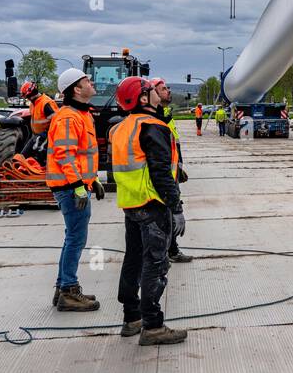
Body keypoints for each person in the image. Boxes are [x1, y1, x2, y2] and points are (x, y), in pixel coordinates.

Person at [111, 76, 188, 346]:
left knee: (132, 260)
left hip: (131, 204)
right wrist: (176, 206)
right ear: (143, 99)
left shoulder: (121, 128)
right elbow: (160, 174)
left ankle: (131, 317)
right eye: (150, 90)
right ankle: (153, 325)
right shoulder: (153, 126)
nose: (157, 92)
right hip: (153, 204)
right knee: (155, 264)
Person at [45, 67, 104, 312]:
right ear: (76, 89)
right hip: (70, 188)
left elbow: (81, 155)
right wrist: (79, 185)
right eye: (87, 81)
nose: (91, 83)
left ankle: (63, 289)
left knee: (72, 238)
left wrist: (92, 180)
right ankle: (69, 289)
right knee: (76, 239)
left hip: (76, 185)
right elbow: (65, 154)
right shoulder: (69, 117)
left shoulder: (81, 114)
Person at [154, 80, 192, 264]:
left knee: (169, 213)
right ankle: (166, 251)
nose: (168, 91)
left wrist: (180, 166)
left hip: (172, 170)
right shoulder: (155, 119)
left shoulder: (167, 115)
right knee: (165, 213)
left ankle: (172, 249)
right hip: (163, 175)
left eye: (168, 88)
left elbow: (175, 144)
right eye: (163, 89)